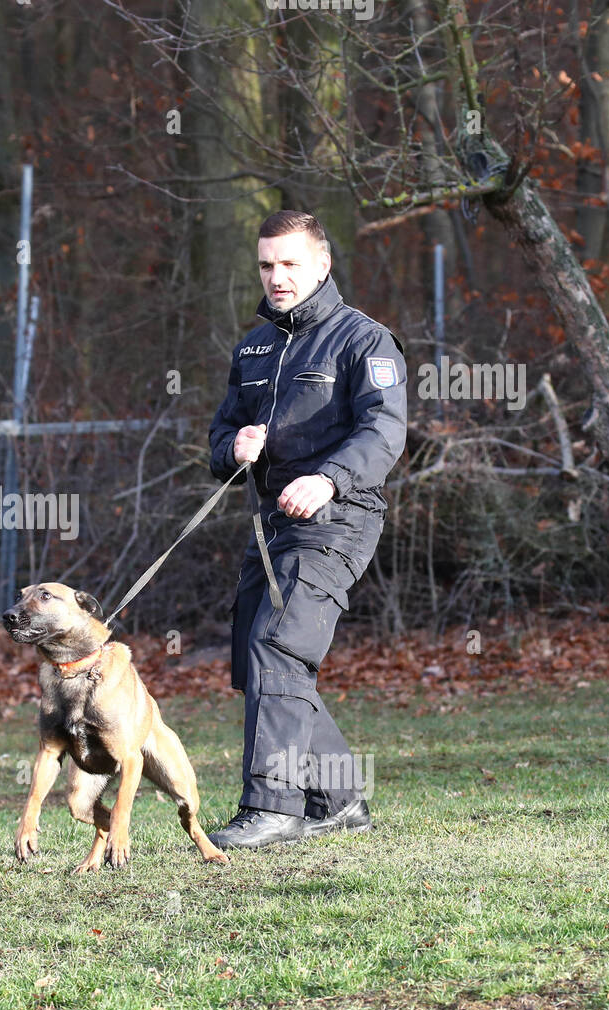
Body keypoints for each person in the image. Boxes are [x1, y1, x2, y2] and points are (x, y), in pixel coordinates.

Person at [205, 210, 407, 850]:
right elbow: (219, 435)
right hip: (270, 524)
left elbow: (384, 431)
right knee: (257, 659)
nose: (277, 277)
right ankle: (341, 798)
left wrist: (328, 479)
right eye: (267, 264)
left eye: (290, 264)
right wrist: (233, 446)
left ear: (321, 265)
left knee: (277, 645)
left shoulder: (364, 341)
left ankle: (273, 806)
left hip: (339, 518)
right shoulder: (254, 348)